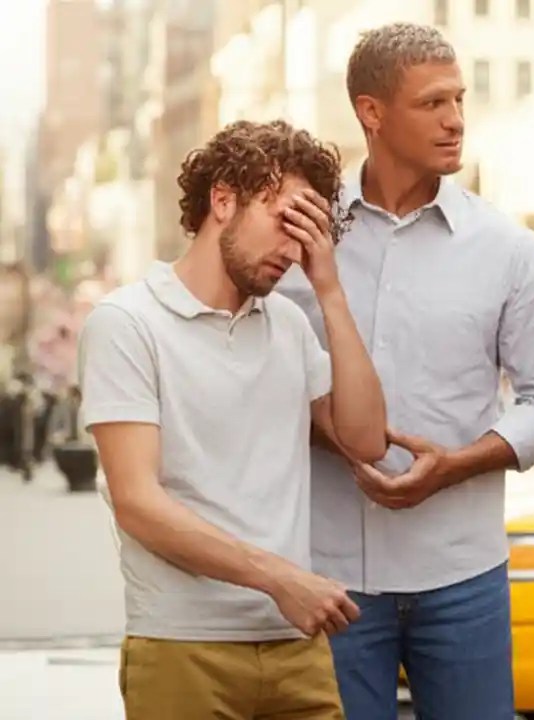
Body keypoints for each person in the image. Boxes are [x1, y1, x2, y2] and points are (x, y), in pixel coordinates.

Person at [276, 23, 534, 720]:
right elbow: (254, 375)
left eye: (459, 100)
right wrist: (335, 435)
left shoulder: (506, 249)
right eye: (432, 103)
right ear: (372, 113)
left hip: (462, 575)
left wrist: (456, 464)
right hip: (329, 577)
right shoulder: (302, 240)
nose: (455, 121)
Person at [77, 119, 388, 719]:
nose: (295, 250)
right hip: (183, 645)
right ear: (223, 200)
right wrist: (279, 578)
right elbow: (138, 502)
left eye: (309, 232)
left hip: (297, 648)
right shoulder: (126, 323)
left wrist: (329, 290)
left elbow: (366, 439)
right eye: (285, 222)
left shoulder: (290, 326)